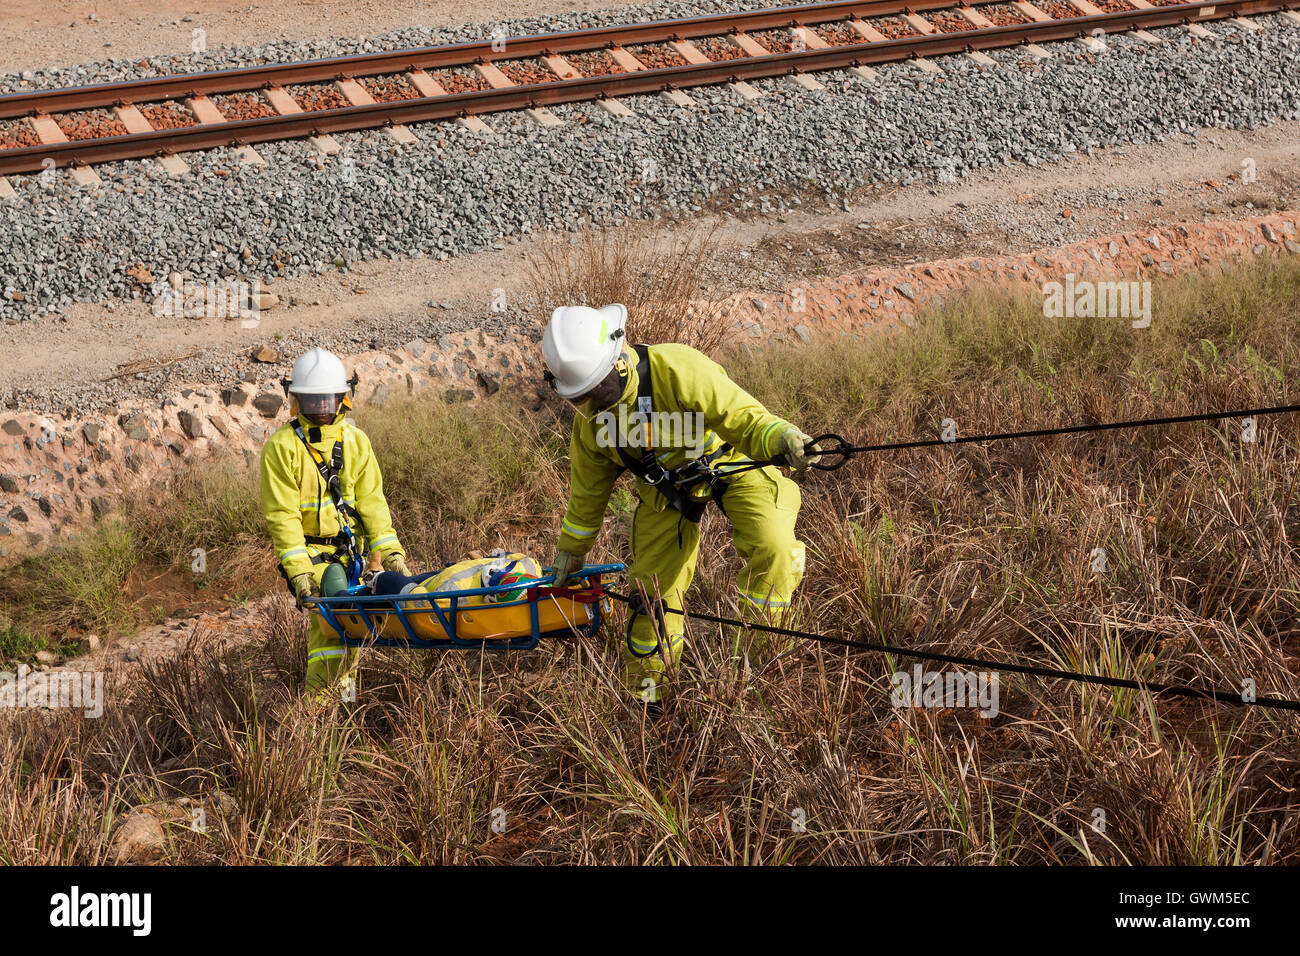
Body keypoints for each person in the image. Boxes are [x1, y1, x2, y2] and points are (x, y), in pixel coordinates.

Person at [541, 304, 821, 700]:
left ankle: (757, 667)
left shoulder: (678, 369)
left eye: (598, 391)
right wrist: (570, 553)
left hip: (731, 463)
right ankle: (649, 696)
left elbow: (744, 417)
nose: (595, 406)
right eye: (581, 398)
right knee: (649, 599)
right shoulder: (591, 425)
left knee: (774, 547)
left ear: (619, 363)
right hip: (665, 492)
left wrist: (782, 438)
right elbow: (587, 497)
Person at [259, 347, 409, 699]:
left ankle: (345, 706)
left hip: (353, 554)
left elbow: (373, 503)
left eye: (328, 400)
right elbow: (283, 517)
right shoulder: (282, 448)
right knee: (333, 624)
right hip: (315, 559)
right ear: (296, 402)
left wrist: (389, 552)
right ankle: (318, 712)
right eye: (314, 401)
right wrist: (298, 572)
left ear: (343, 398)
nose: (322, 409)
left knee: (384, 603)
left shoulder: (356, 441)